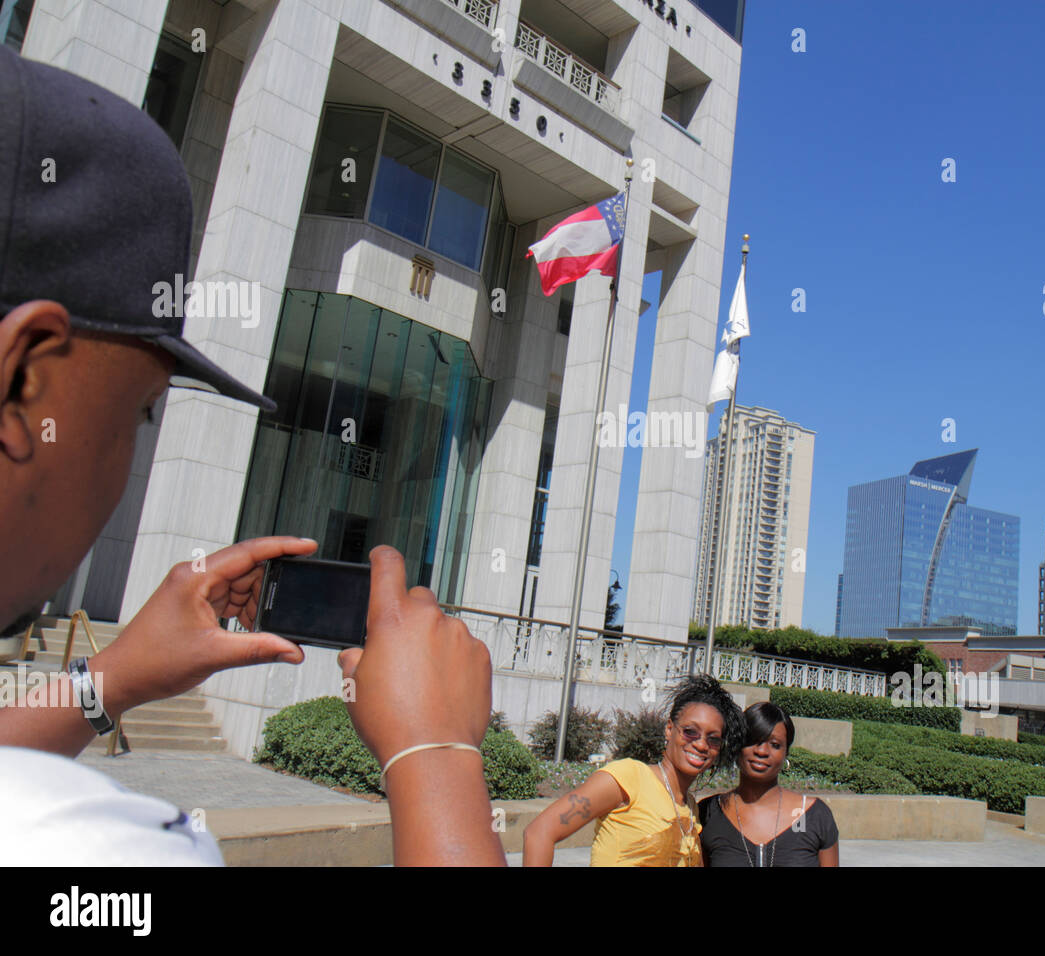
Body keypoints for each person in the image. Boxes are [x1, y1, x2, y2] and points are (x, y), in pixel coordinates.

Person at [0, 45, 503, 866]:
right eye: (138, 411)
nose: (128, 456)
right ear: (23, 374)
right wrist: (437, 758)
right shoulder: (88, 849)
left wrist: (112, 682)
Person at [522, 674, 744, 866]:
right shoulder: (628, 778)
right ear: (669, 729)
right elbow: (540, 832)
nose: (701, 744)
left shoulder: (690, 807)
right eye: (690, 732)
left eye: (713, 739)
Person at [699, 702, 839, 867]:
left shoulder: (815, 816)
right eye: (752, 740)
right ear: (737, 746)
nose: (762, 751)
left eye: (775, 745)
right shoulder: (708, 813)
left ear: (786, 753)